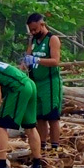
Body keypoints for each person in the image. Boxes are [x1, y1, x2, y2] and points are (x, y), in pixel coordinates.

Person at [23, 13, 62, 153]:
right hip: (35, 82)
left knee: (52, 116)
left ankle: (55, 147)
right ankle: (42, 144)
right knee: (39, 116)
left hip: (49, 83)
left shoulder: (52, 39)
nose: (33, 32)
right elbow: (27, 57)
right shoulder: (33, 41)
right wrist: (24, 65)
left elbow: (56, 61)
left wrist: (37, 60)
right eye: (31, 30)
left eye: (35, 29)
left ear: (42, 25)